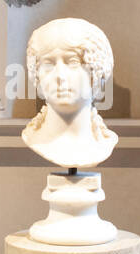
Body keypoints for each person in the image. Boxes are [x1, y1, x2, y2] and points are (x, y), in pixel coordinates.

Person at [21, 18, 118, 169]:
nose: (60, 75)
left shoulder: (102, 144)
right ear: (36, 74)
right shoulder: (34, 139)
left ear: (95, 71)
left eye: (72, 62)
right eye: (48, 63)